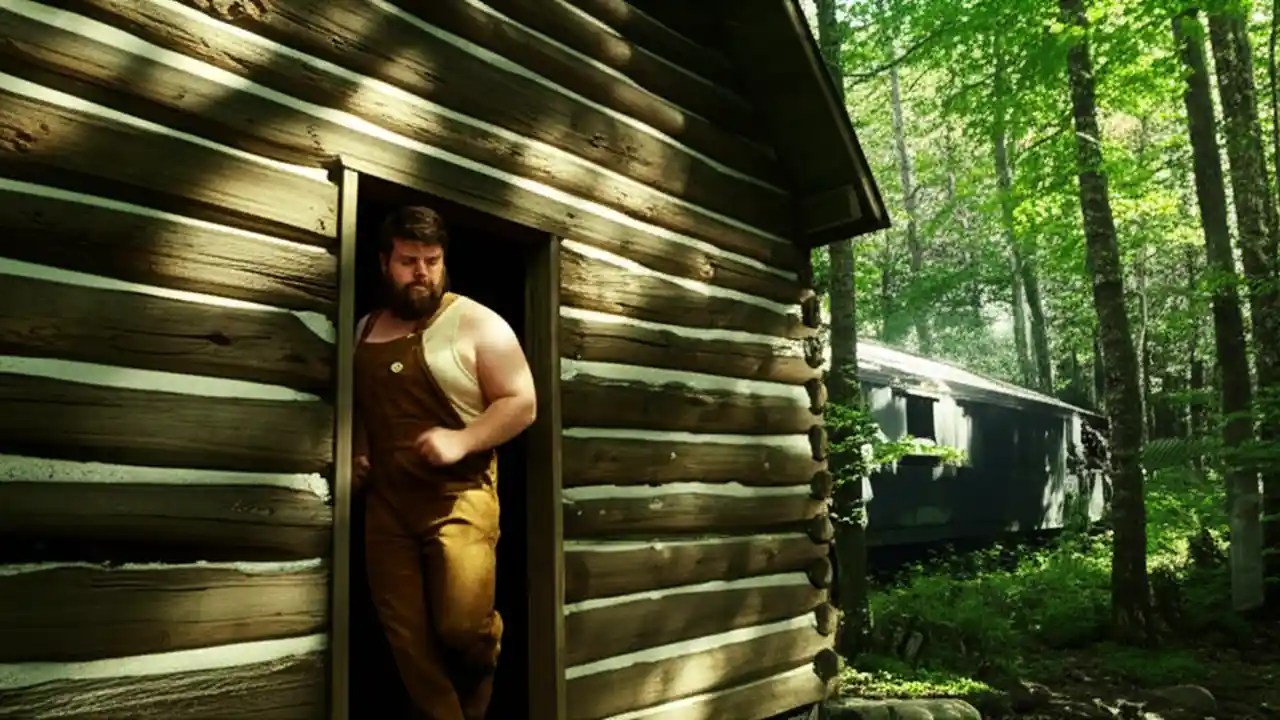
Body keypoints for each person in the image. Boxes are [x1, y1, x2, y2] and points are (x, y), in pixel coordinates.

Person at [352, 205, 537, 720]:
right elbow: (363, 405)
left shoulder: (476, 322)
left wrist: (463, 440)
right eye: (409, 261)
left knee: (460, 627)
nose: (422, 273)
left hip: (459, 496)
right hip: (388, 506)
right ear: (385, 262)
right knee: (407, 640)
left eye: (432, 260)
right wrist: (358, 451)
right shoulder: (364, 329)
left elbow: (522, 402)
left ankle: (487, 655)